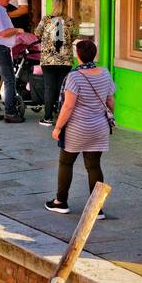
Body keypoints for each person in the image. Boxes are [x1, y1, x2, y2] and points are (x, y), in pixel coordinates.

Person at [46, 39, 113, 217]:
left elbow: (68, 106)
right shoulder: (105, 73)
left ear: (78, 56)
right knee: (94, 166)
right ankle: (97, 208)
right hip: (99, 128)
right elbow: (110, 101)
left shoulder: (74, 76)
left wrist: (58, 127)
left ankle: (60, 201)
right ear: (94, 54)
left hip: (77, 128)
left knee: (66, 162)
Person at [34, 0, 74, 127]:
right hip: (65, 60)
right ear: (65, 5)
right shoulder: (70, 21)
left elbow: (37, 33)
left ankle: (47, 117)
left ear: (54, 5)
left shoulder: (46, 19)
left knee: (49, 88)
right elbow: (74, 36)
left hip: (48, 60)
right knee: (63, 88)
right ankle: (62, 117)